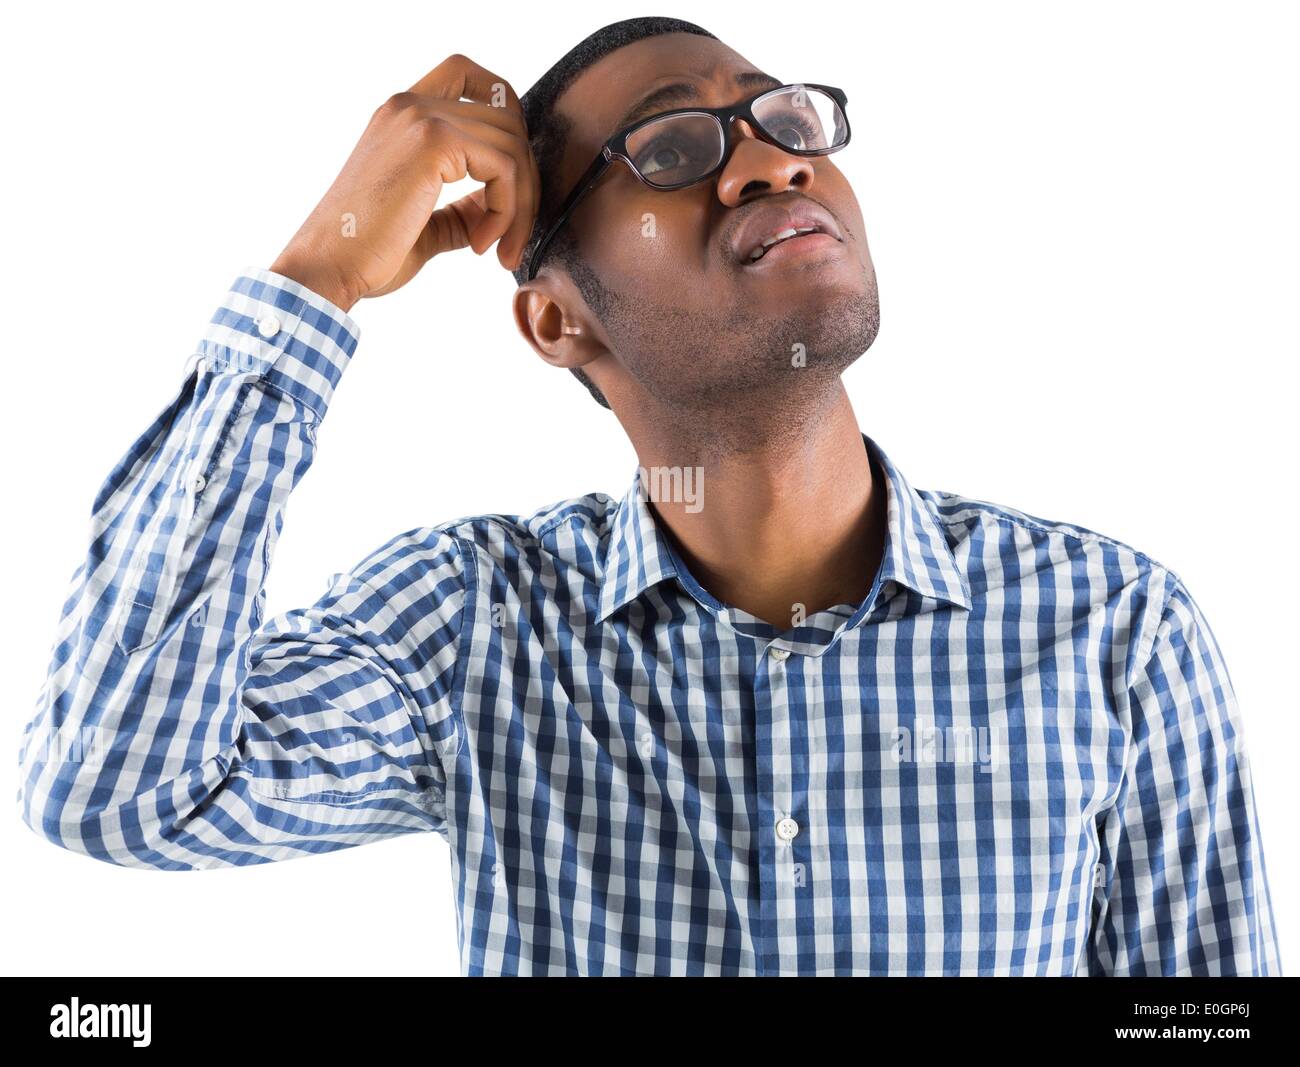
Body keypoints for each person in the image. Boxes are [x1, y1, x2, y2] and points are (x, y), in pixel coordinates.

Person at [17, 16, 1280, 976]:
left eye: (783, 121)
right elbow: (116, 787)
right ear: (557, 321)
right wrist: (316, 276)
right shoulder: (474, 625)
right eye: (673, 149)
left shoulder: (1114, 625)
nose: (764, 168)